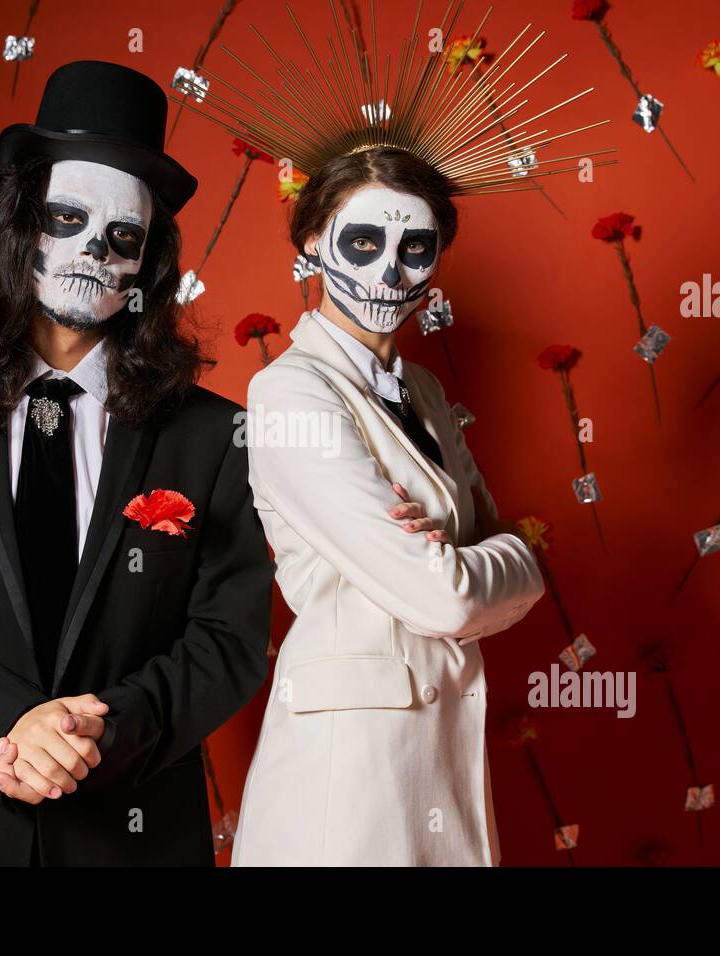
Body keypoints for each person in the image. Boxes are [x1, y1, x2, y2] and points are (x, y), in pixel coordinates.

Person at [0, 60, 273, 866]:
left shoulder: (214, 438)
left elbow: (228, 639)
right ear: (19, 222)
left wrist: (98, 733)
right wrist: (2, 728)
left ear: (148, 264)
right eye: (67, 218)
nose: (93, 254)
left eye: (124, 238)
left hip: (132, 837)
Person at [231, 146, 547, 866]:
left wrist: (494, 554)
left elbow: (499, 553)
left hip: (436, 760)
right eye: (364, 242)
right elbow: (447, 601)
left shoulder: (426, 394)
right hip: (350, 782)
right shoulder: (291, 392)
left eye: (415, 247)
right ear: (312, 244)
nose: (388, 271)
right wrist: (491, 561)